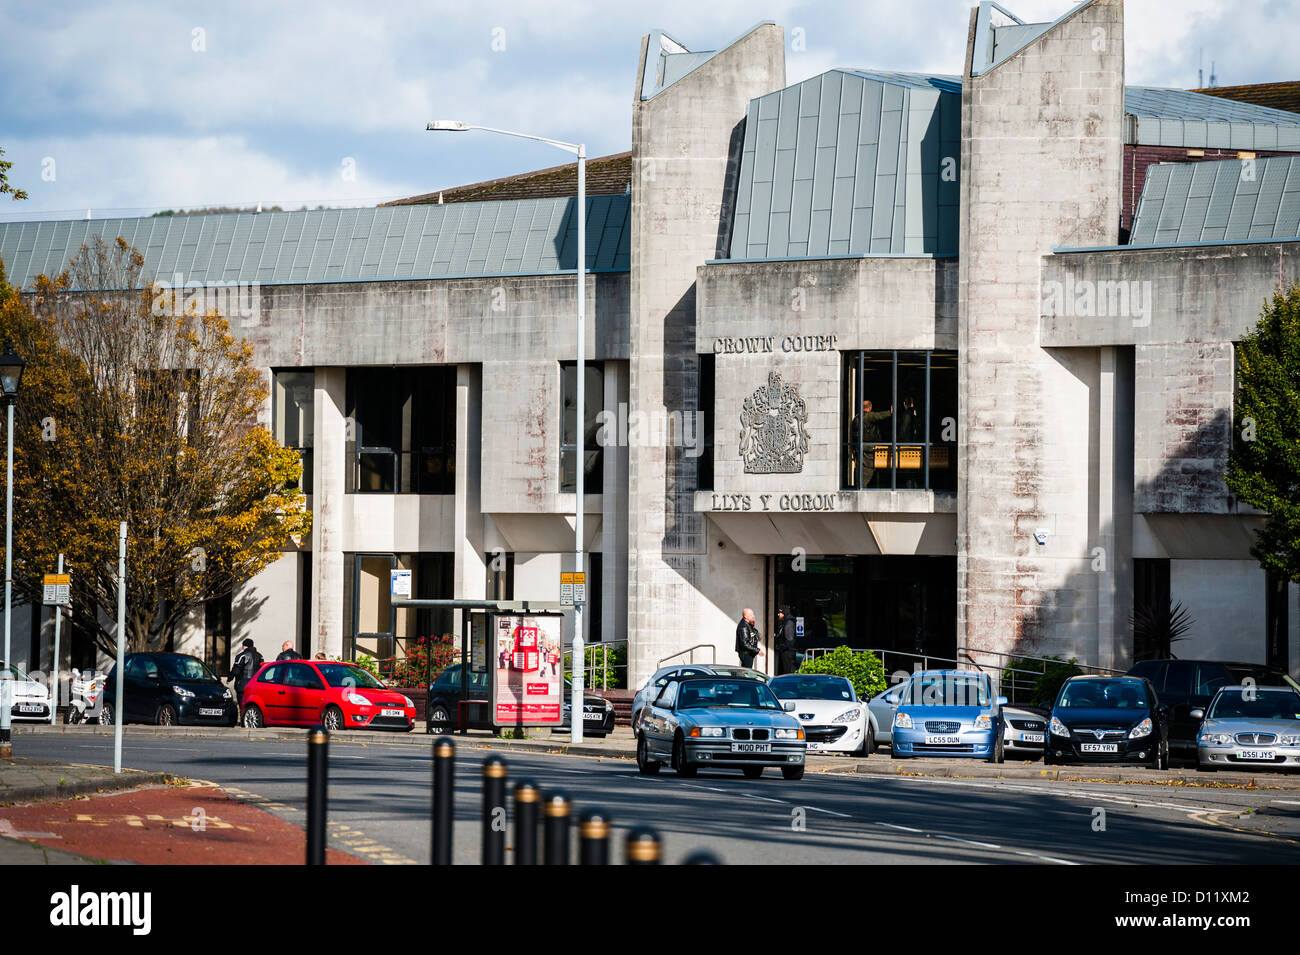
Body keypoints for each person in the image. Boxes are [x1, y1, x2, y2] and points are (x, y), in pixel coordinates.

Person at [848, 399, 894, 487]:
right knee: (867, 470)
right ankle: (862, 487)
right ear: (870, 408)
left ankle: (861, 486)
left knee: (861, 469)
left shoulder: (856, 418)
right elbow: (878, 416)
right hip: (868, 449)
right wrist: (890, 412)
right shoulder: (867, 417)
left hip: (859, 449)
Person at [229, 639, 264, 705]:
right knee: (252, 703)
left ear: (244, 646)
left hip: (242, 684)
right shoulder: (260, 656)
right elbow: (261, 669)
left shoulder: (242, 655)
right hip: (255, 684)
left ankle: (242, 714)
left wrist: (230, 678)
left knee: (242, 702)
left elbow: (236, 669)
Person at [774, 605, 798, 676]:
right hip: (786, 652)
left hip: (787, 653)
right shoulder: (787, 622)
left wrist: (781, 647)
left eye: (779, 612)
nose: (778, 614)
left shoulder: (789, 623)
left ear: (784, 613)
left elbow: (789, 640)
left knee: (786, 673)